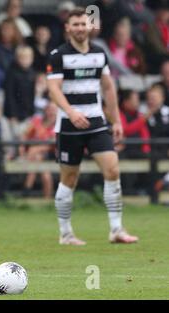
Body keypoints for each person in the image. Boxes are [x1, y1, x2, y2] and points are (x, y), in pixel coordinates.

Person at [47, 8, 138, 245]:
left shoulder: (99, 53)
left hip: (96, 122)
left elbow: (108, 88)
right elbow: (54, 89)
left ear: (90, 26)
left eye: (82, 24)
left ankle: (116, 229)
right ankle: (65, 233)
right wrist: (71, 112)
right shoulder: (59, 55)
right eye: (74, 24)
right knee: (69, 178)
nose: (79, 28)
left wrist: (116, 120)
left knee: (112, 170)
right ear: (68, 28)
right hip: (69, 125)